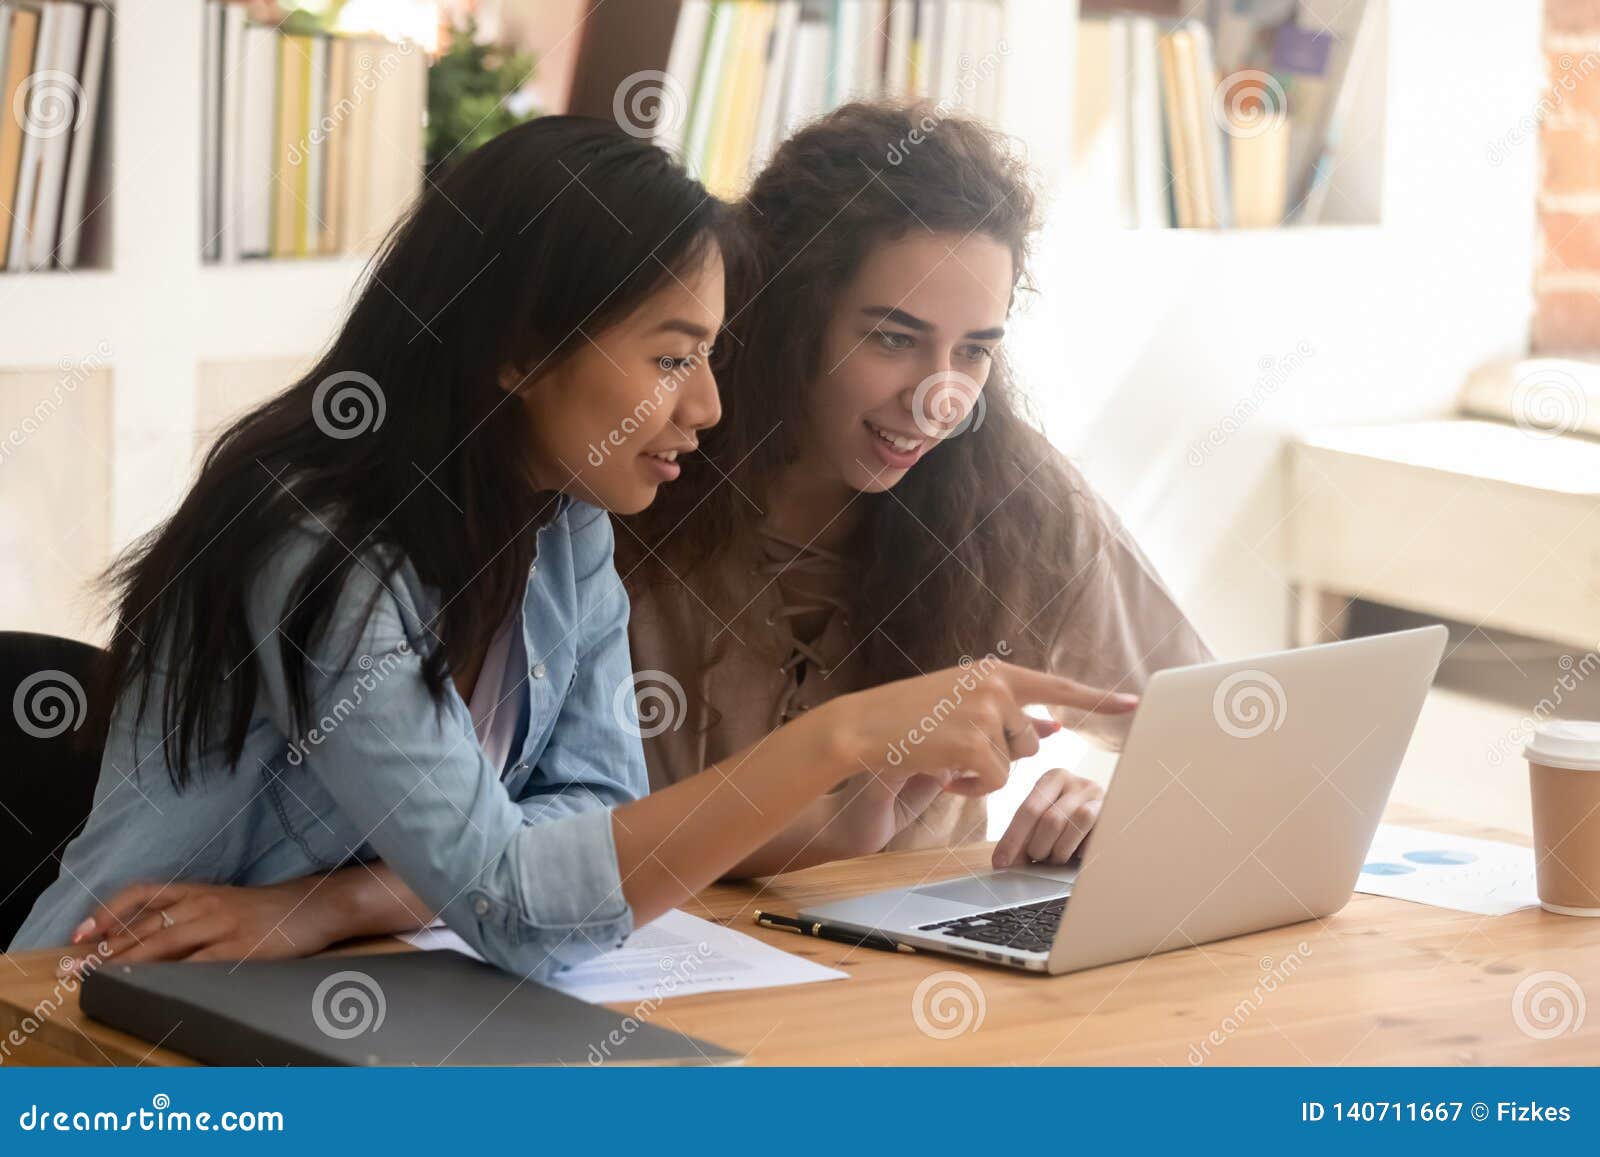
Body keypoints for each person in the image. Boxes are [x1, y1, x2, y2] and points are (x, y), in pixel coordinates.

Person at [15, 117, 1134, 977]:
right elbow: (517, 904)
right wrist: (837, 739)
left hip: (347, 984)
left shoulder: (565, 529)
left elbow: (576, 822)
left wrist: (343, 902)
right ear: (518, 347)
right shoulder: (321, 551)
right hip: (99, 1007)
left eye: (709, 357)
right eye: (670, 358)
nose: (707, 405)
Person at [618, 102, 1214, 877]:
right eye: (894, 339)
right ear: (786, 314)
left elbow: (1217, 728)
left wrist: (1120, 807)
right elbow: (536, 841)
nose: (942, 397)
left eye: (973, 351)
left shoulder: (1016, 499)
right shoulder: (635, 472)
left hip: (911, 976)